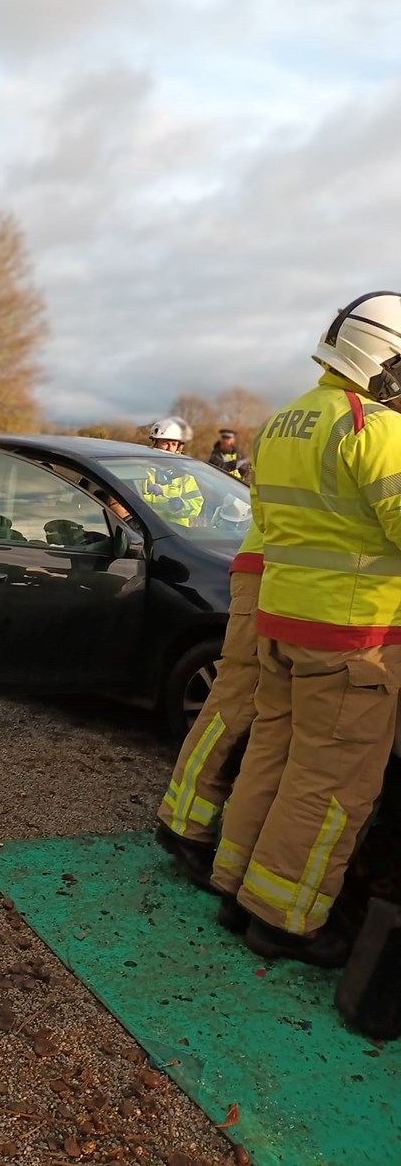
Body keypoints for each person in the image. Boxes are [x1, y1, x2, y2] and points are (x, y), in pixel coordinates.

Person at [211, 293, 401, 967]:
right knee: (329, 782)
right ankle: (284, 918)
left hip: (282, 620)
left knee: (273, 756)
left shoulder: (287, 419)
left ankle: (235, 888)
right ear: (383, 360)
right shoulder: (376, 428)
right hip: (353, 636)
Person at [156, 519, 263, 887]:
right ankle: (185, 826)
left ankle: (189, 823)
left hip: (281, 575)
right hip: (279, 578)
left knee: (236, 706)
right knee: (234, 707)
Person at [140, 418, 203, 527]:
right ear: (155, 443)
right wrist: (164, 503)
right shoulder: (142, 471)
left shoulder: (185, 477)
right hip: (148, 528)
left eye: (174, 444)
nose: (169, 449)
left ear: (178, 447)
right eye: (165, 443)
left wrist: (181, 505)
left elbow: (197, 505)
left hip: (176, 532)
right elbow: (137, 502)